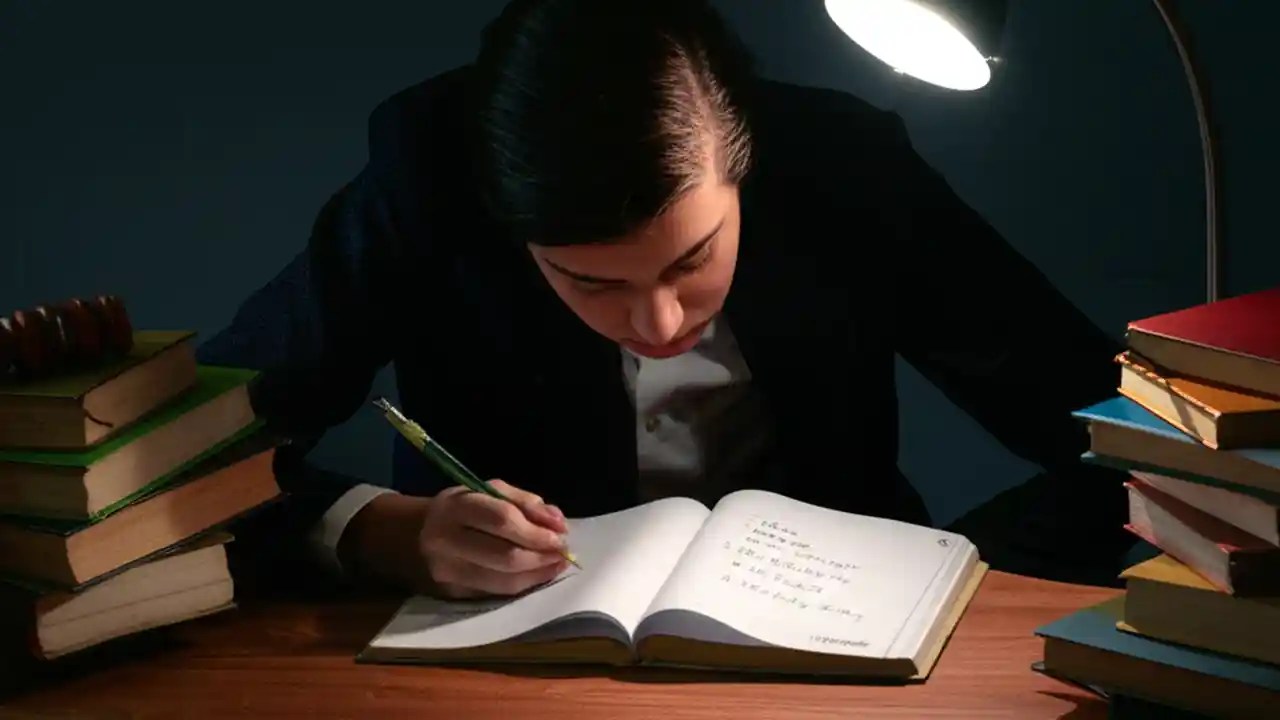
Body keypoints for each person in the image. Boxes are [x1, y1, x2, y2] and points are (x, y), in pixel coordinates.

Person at [199, 0, 1135, 599]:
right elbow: (183, 455)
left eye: (693, 259)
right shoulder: (427, 177)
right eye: (589, 280)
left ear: (745, 168)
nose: (658, 323)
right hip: (501, 664)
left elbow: (1121, 441)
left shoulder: (846, 168)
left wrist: (951, 573)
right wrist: (371, 533)